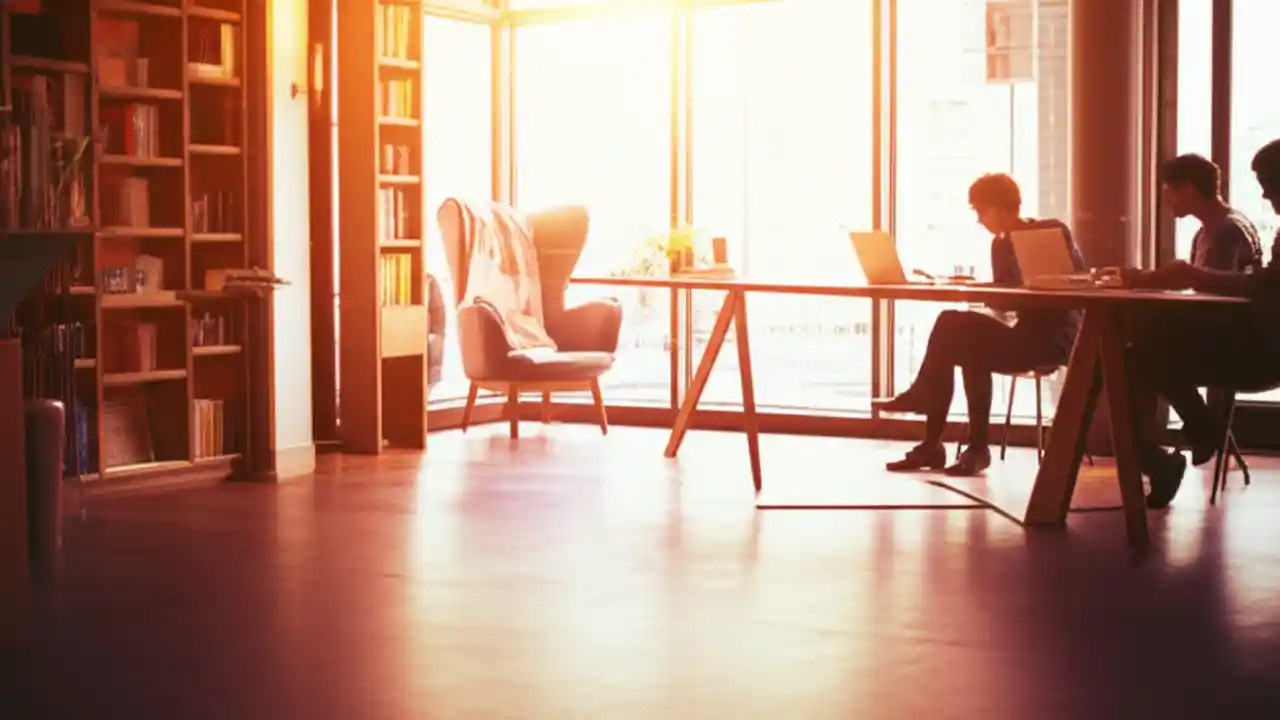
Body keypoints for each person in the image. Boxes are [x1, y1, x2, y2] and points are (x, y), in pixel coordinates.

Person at [875, 173, 1087, 476]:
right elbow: (1007, 304)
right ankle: (955, 445)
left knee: (957, 333)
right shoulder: (999, 246)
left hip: (1053, 340)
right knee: (955, 331)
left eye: (981, 210)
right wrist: (982, 290)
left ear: (1000, 208)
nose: (979, 219)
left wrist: (999, 291)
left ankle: (940, 434)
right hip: (1024, 334)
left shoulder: (1050, 230)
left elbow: (1075, 285)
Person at [1122, 139, 1280, 508]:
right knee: (1142, 351)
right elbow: (1261, 285)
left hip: (1262, 350)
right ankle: (1192, 431)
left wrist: (1189, 276)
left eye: (1268, 185)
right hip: (1259, 340)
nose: (1264, 194)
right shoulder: (1228, 227)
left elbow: (1258, 289)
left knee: (1137, 356)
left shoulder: (1224, 231)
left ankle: (1175, 444)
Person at [1161, 153, 1263, 271]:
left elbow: (1216, 282)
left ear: (1188, 189)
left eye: (1168, 191)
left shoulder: (1226, 232)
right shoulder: (1205, 233)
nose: (1166, 199)